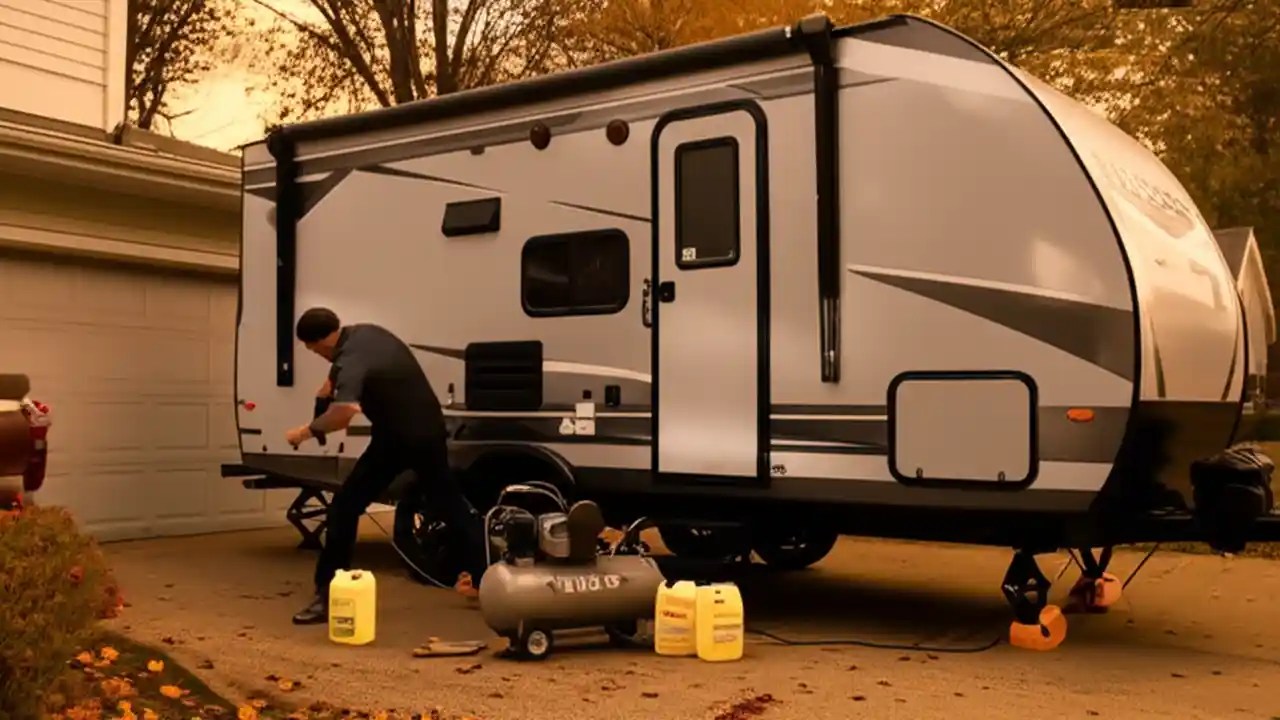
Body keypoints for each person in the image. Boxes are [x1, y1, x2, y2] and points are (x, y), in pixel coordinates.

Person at [285, 307, 487, 625]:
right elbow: (350, 371)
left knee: (344, 508)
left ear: (321, 341)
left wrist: (306, 432)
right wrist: (330, 383)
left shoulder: (349, 358)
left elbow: (344, 413)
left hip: (397, 440)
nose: (316, 354)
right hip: (429, 431)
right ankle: (486, 580)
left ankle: (327, 597)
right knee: (450, 506)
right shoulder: (366, 334)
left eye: (313, 349)